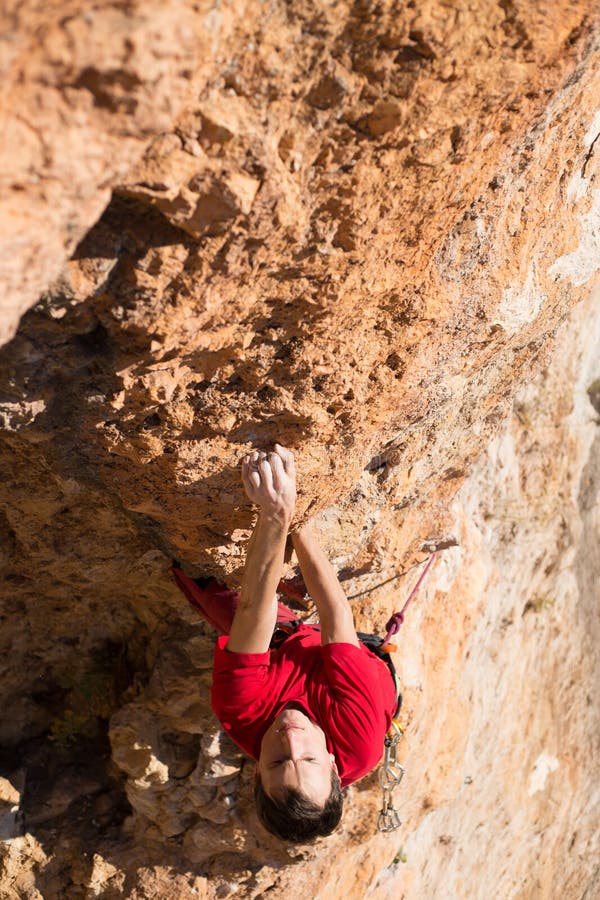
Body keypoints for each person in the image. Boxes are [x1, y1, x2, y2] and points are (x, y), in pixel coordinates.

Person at [172, 443, 399, 842]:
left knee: (204, 585)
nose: (291, 738)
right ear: (332, 762)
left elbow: (251, 619)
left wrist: (275, 515)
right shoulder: (358, 739)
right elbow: (335, 618)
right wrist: (298, 520)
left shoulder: (238, 713)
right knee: (271, 600)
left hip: (282, 646)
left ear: (256, 769)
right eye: (308, 757)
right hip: (347, 667)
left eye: (277, 761)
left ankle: (278, 598)